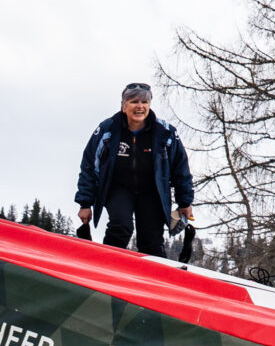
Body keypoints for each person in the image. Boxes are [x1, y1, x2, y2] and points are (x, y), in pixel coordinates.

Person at [76, 83, 196, 257]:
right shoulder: (107, 130)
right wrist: (85, 203)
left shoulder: (165, 133)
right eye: (134, 102)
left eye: (144, 102)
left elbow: (181, 169)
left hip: (152, 191)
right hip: (118, 188)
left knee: (151, 240)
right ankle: (105, 267)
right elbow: (89, 165)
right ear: (124, 106)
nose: (140, 106)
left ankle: (154, 280)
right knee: (121, 227)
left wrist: (185, 202)